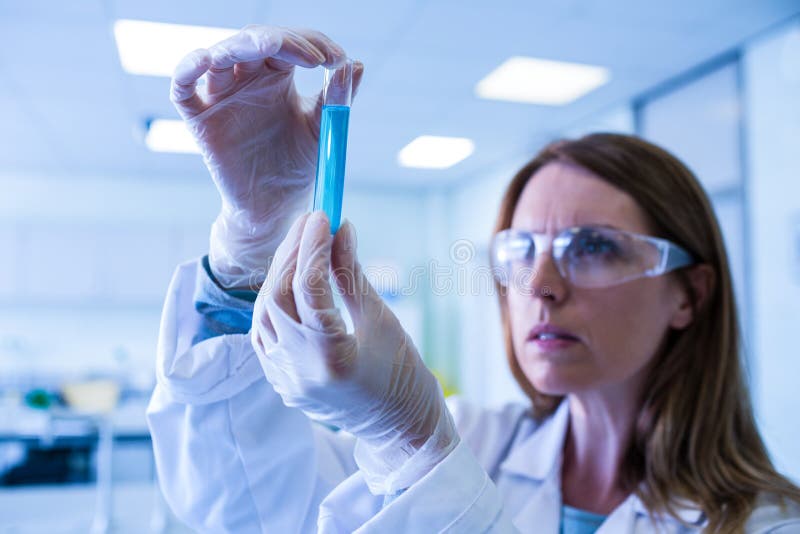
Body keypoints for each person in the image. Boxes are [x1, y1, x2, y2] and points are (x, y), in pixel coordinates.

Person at [146, 25, 800, 533]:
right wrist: (250, 239)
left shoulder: (769, 522)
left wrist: (412, 446)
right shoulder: (475, 438)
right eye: (521, 250)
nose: (540, 283)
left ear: (689, 293)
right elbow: (245, 504)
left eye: (592, 246)